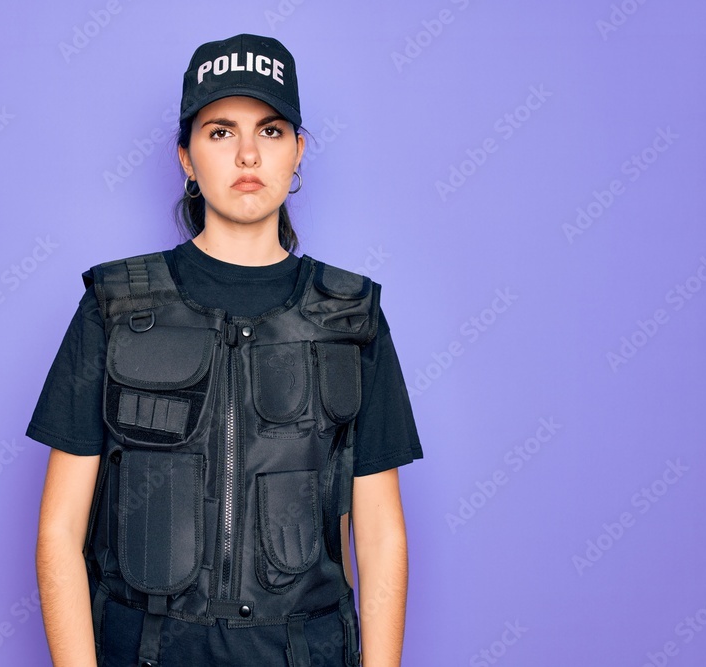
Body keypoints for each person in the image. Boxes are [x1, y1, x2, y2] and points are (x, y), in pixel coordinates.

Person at [29, 33, 422, 667]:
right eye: (220, 132)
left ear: (297, 151)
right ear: (186, 157)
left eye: (270, 131)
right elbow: (58, 533)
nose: (248, 154)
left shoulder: (350, 315)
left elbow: (380, 538)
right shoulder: (115, 305)